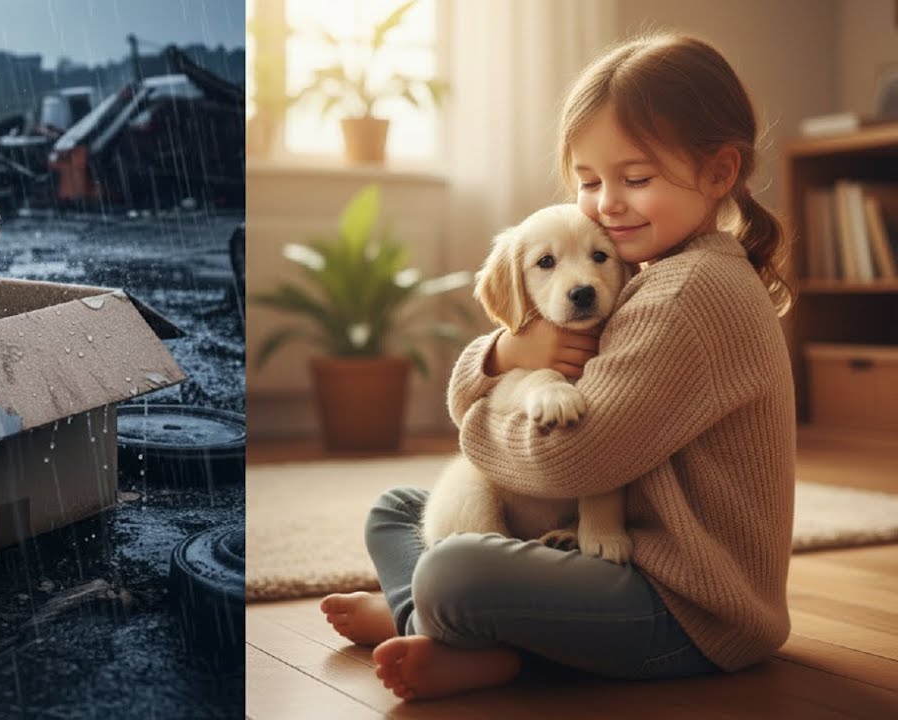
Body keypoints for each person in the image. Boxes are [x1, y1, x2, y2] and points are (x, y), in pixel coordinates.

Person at [319, 32, 797, 701]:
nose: (607, 203)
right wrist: (502, 354)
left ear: (720, 173)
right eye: (590, 182)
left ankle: (446, 627)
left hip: (687, 607)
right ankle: (426, 622)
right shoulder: (649, 272)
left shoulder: (686, 294)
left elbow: (578, 461)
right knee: (398, 510)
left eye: (635, 179)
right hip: (609, 555)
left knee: (453, 570)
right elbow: (520, 395)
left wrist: (476, 425)